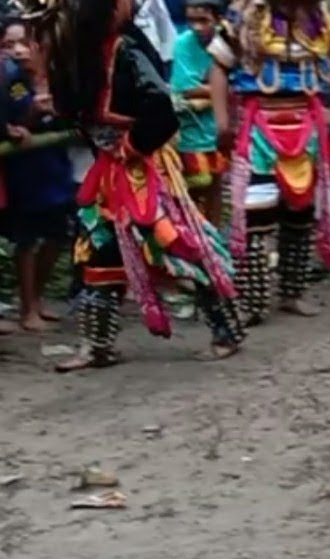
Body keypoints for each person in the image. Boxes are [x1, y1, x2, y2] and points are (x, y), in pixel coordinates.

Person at [26, 0, 244, 371]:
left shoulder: (126, 51)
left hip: (147, 168)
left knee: (177, 245)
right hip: (108, 173)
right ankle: (98, 345)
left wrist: (128, 148)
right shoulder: (76, 59)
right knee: (96, 251)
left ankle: (225, 330)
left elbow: (162, 114)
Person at [207, 0, 330, 323]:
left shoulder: (320, 20)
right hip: (257, 126)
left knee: (300, 213)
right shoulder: (247, 15)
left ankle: (293, 293)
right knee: (255, 214)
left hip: (306, 127)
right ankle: (252, 302)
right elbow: (219, 66)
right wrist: (222, 121)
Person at [1, 16, 74, 334]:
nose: (18, 51)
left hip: (55, 162)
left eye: (23, 43)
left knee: (59, 233)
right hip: (25, 167)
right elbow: (16, 123)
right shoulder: (11, 81)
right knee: (27, 238)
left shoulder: (59, 75)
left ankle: (39, 299)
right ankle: (27, 307)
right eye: (8, 44)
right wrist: (34, 112)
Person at [170, 0, 226, 226]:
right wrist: (222, 88)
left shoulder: (228, 42)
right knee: (195, 186)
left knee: (216, 185)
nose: (196, 27)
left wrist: (210, 89)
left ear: (218, 19)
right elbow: (187, 88)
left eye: (203, 21)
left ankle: (215, 237)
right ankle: (195, 238)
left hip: (220, 127)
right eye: (191, 20)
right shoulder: (183, 43)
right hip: (193, 128)